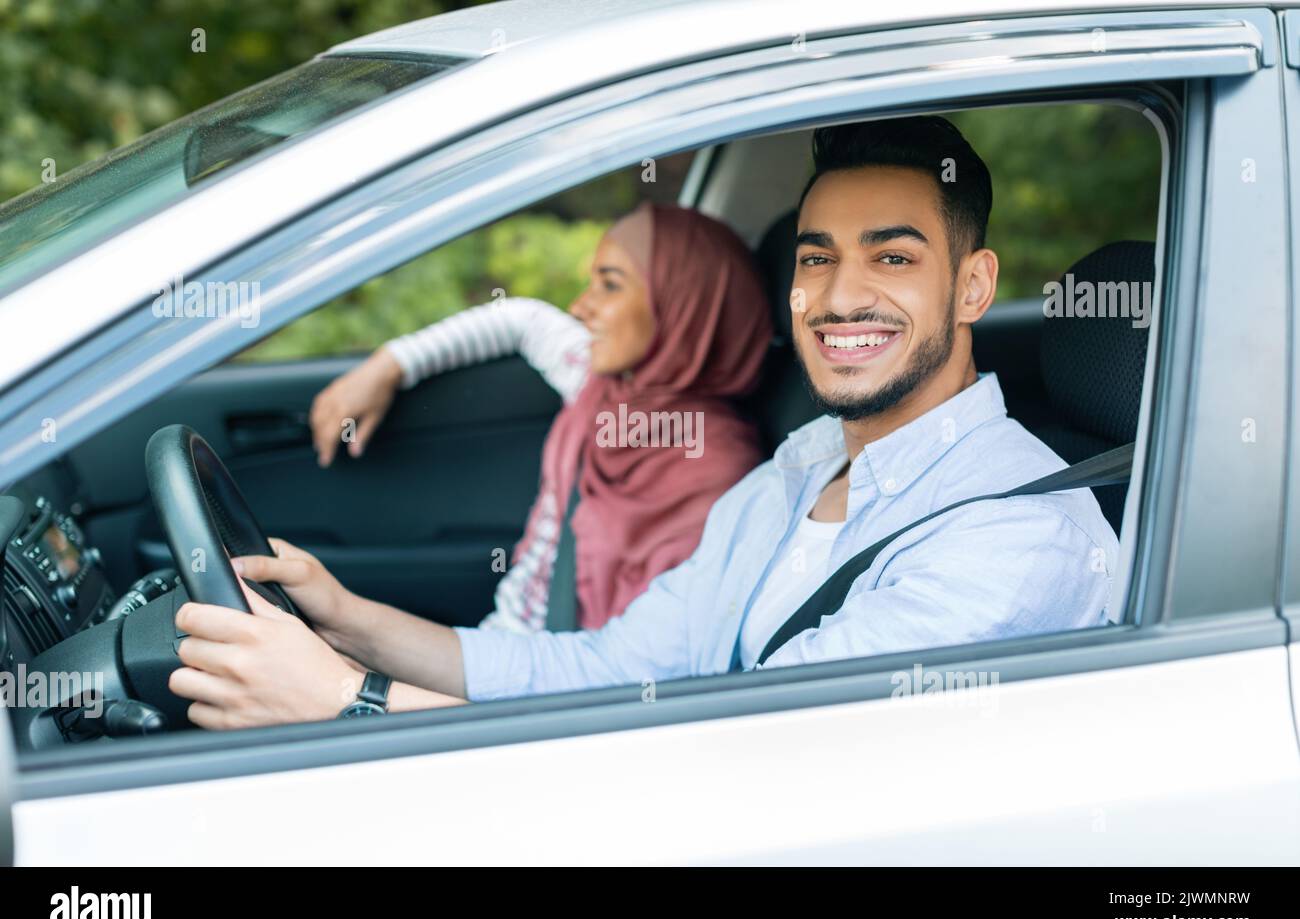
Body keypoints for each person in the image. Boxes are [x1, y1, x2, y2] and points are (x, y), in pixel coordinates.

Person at [170, 116, 1120, 728]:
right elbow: (614, 667)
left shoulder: (1013, 536)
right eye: (817, 257)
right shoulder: (800, 466)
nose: (841, 296)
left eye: (895, 259)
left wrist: (347, 702)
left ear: (975, 286)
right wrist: (354, 623)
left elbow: (739, 767)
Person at [309, 203, 772, 633]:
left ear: (684, 305)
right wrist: (390, 364)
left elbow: (647, 655)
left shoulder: (719, 473)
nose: (579, 306)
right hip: (502, 639)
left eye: (609, 285)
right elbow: (523, 320)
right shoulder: (598, 384)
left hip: (553, 692)